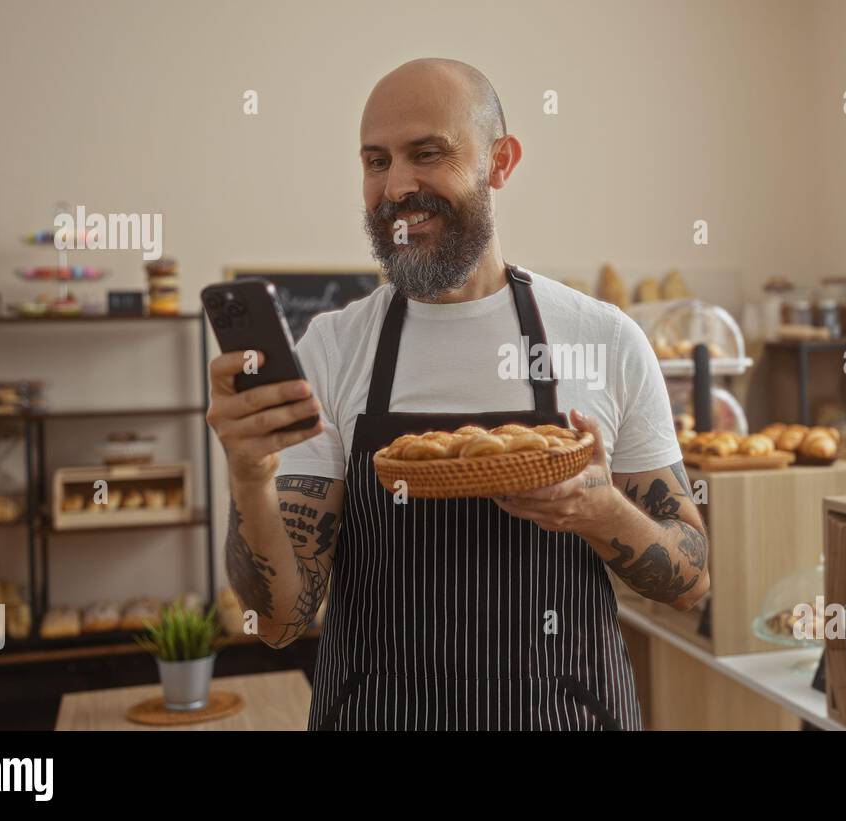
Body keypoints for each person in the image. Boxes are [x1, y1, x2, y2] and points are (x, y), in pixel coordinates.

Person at [206, 58, 708, 730]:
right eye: (376, 160)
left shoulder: (604, 338)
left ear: (501, 162)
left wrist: (601, 509)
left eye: (428, 153)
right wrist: (249, 476)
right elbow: (279, 619)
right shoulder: (330, 349)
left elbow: (690, 580)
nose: (396, 186)